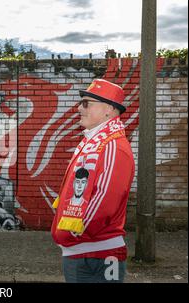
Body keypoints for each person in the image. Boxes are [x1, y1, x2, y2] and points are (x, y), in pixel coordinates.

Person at [51, 79, 135, 283]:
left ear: (108, 109)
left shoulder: (112, 146)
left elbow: (106, 202)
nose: (79, 108)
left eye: (86, 103)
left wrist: (70, 236)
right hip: (83, 253)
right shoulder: (93, 142)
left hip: (97, 255)